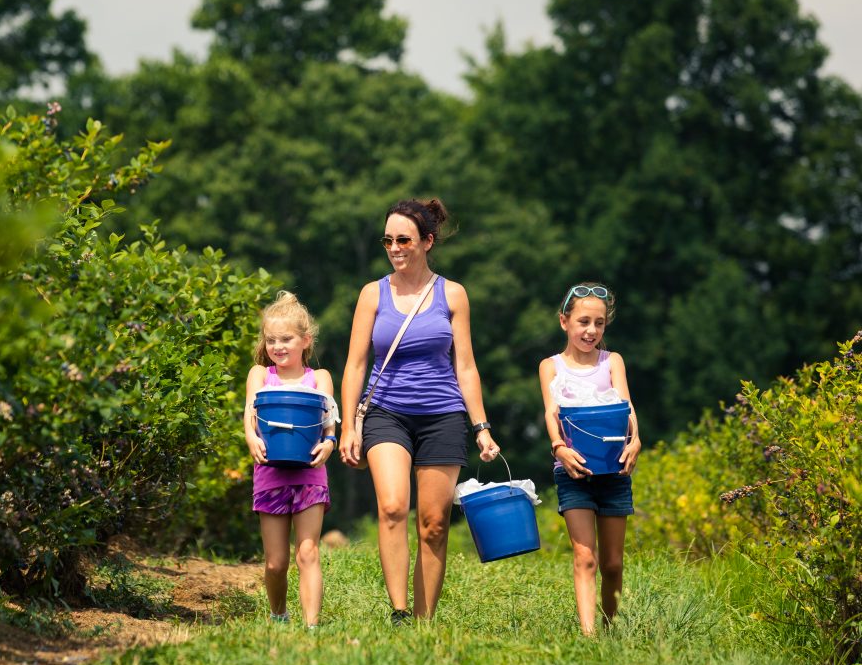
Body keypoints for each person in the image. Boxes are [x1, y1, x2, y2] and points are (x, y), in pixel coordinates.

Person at [339, 199, 499, 624]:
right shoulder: (373, 294)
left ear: (427, 242)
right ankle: (399, 611)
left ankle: (425, 622)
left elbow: (465, 365)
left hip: (442, 414)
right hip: (386, 412)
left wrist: (480, 426)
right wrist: (348, 427)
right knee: (392, 507)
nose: (395, 247)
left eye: (404, 239)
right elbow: (355, 364)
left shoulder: (454, 294)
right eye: (388, 240)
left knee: (433, 523)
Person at [538, 282, 642, 636]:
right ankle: (589, 635)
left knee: (612, 563)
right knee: (586, 557)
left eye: (598, 324)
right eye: (583, 322)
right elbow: (551, 412)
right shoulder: (551, 366)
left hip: (614, 471)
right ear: (564, 321)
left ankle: (611, 626)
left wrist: (636, 440)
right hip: (573, 471)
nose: (591, 331)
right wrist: (558, 447)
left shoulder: (611, 361)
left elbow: (626, 407)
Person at [244, 291, 336, 629]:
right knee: (275, 563)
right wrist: (251, 437)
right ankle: (279, 615)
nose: (278, 346)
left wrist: (329, 442)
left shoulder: (319, 378)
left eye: (286, 339)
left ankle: (312, 628)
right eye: (271, 340)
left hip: (310, 473)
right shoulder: (260, 375)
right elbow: (249, 415)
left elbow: (329, 422)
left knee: (308, 552)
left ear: (305, 340)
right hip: (270, 474)